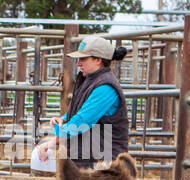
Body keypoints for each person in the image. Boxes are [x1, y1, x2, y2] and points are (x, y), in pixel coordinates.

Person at [33, 34, 129, 171]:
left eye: (83, 58)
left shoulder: (105, 87)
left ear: (98, 60)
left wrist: (53, 141)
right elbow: (81, 110)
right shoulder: (89, 80)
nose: (78, 63)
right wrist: (64, 119)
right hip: (89, 157)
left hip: (104, 163)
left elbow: (83, 120)